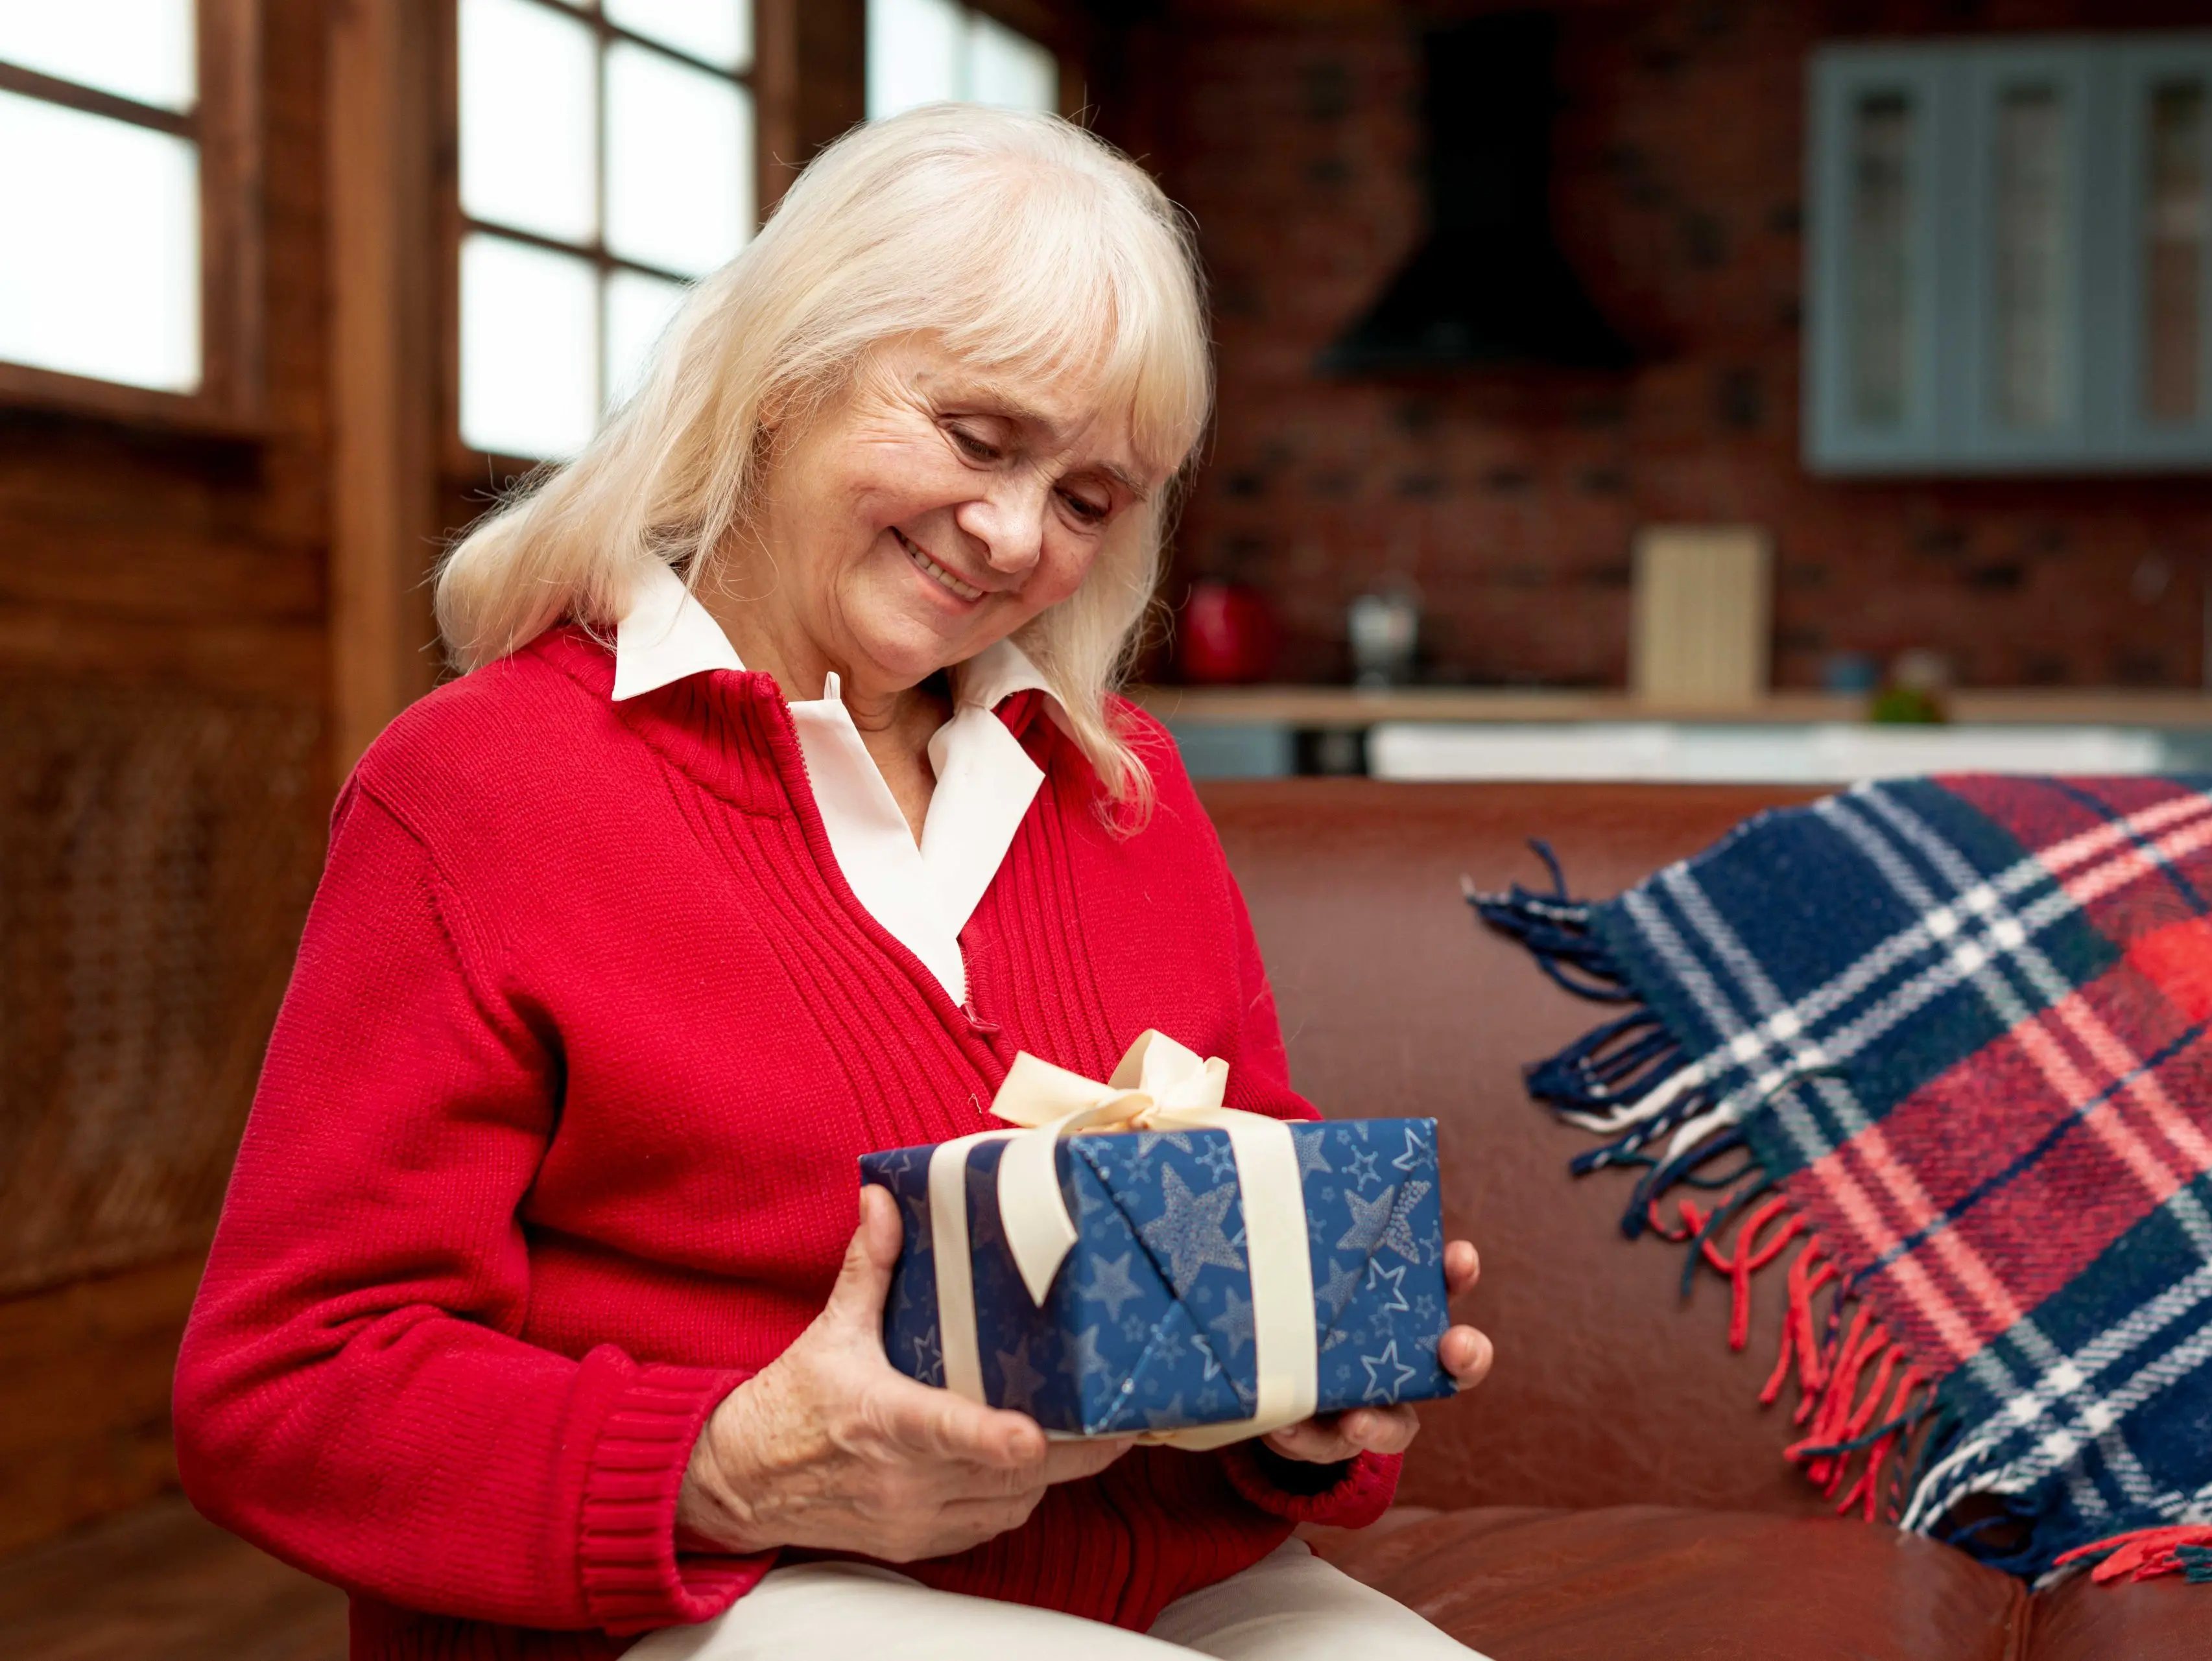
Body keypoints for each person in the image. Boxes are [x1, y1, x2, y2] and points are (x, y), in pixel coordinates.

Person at [174, 104, 1493, 1661]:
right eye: (976, 439)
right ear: (786, 379)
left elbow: (1240, 1201)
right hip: (719, 1584)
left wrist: (1309, 1375)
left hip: (1172, 1576)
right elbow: (281, 1387)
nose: (1012, 537)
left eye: (1088, 500)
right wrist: (726, 1465)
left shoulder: (1122, 787)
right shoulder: (475, 790)